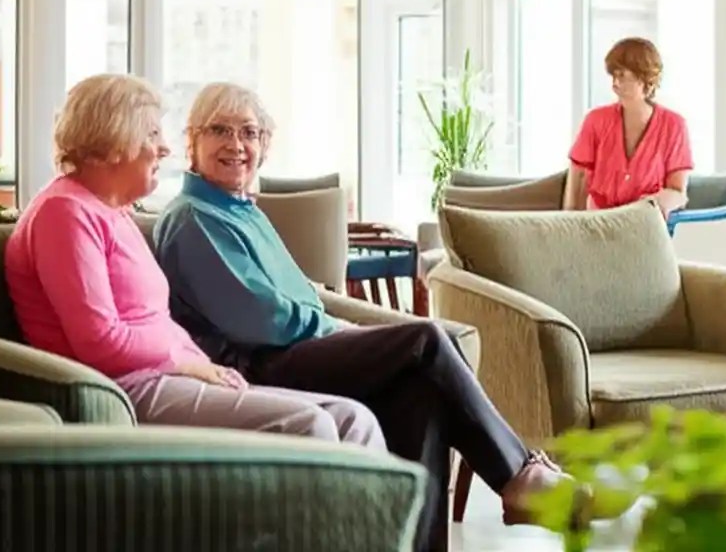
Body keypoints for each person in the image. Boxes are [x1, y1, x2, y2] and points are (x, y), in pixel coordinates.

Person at [152, 82, 578, 552]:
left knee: (422, 392)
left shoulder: (241, 210)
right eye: (220, 130)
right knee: (429, 341)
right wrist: (339, 330)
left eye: (249, 132)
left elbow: (302, 296)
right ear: (192, 142)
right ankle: (519, 475)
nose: (236, 144)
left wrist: (338, 329)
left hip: (294, 349)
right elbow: (260, 321)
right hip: (256, 364)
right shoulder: (192, 218)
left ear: (264, 146)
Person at [4, 74, 384, 448]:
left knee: (354, 420)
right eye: (152, 134)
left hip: (166, 375)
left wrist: (196, 363)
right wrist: (185, 361)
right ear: (115, 137)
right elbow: (100, 341)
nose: (165, 148)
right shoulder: (64, 213)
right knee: (310, 425)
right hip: (124, 386)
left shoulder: (111, 211)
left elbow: (152, 321)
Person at [564, 37, 693, 219]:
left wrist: (650, 205)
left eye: (622, 76)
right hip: (598, 225)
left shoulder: (674, 126)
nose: (615, 84)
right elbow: (576, 180)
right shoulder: (595, 120)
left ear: (644, 78)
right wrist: (566, 225)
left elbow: (678, 192)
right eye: (613, 76)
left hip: (645, 226)